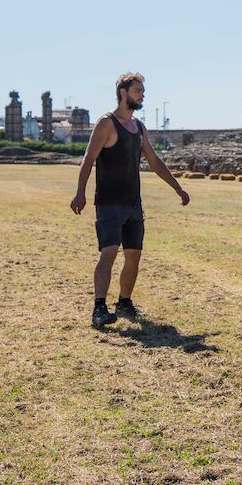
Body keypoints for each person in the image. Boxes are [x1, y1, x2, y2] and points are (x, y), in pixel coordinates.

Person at [70, 72, 189, 326]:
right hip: (109, 203)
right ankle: (99, 309)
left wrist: (177, 188)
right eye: (138, 91)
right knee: (109, 252)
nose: (142, 95)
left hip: (133, 204)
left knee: (133, 255)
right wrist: (80, 191)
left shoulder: (138, 128)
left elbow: (155, 162)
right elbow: (88, 160)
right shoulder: (107, 123)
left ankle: (124, 302)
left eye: (143, 91)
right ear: (123, 93)